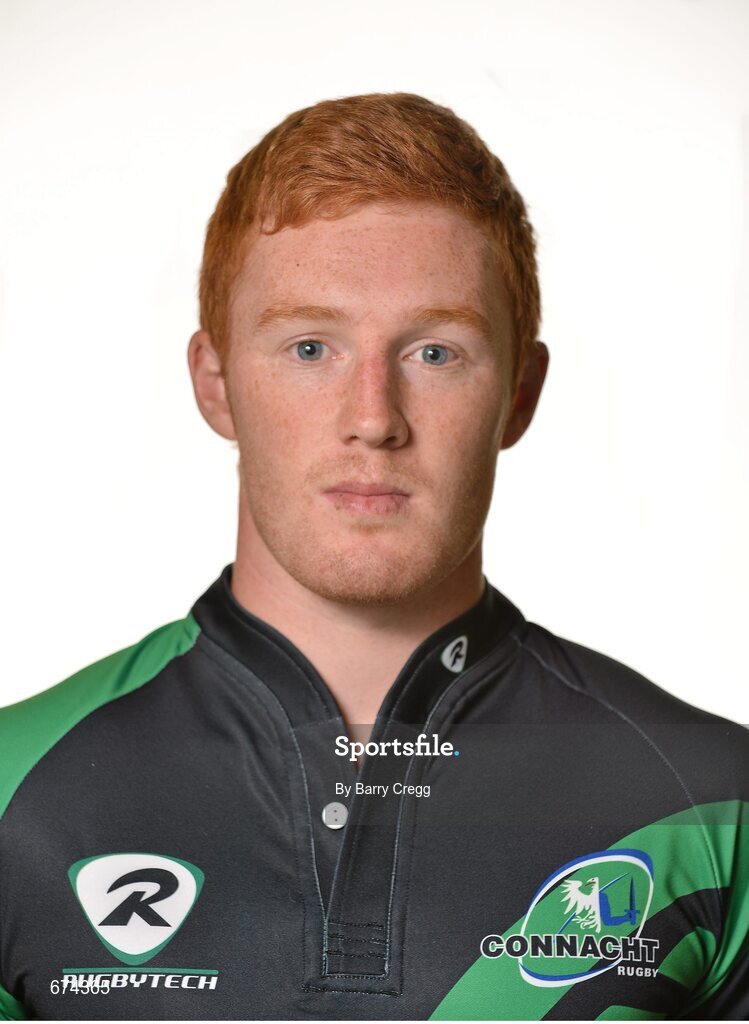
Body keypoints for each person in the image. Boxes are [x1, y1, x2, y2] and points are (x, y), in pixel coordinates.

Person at [0, 92, 747, 1022]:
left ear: (519, 394)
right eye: (310, 347)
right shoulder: (13, 794)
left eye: (435, 353)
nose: (372, 418)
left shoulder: (718, 805)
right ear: (216, 383)